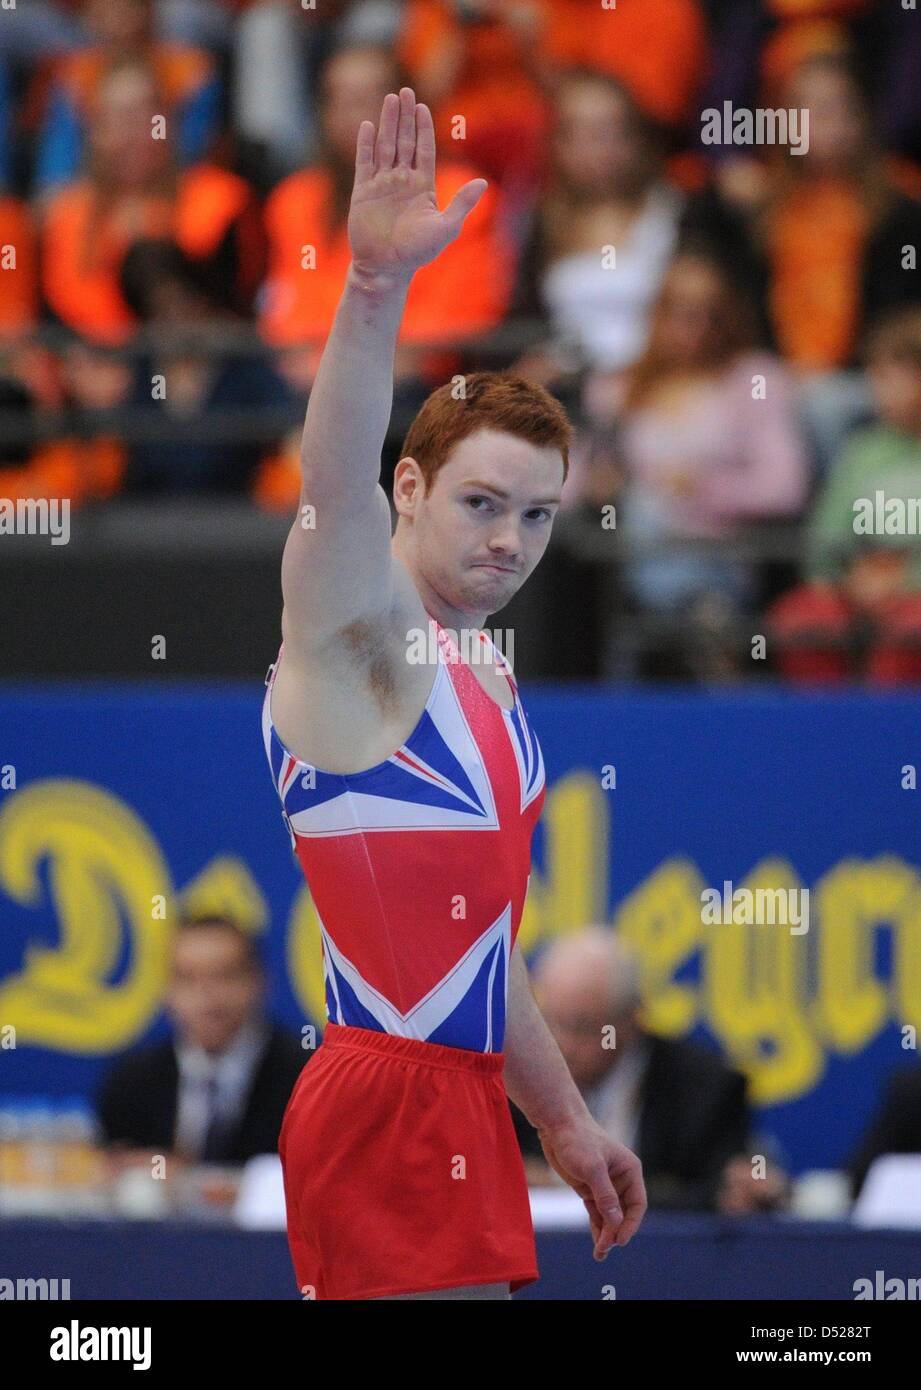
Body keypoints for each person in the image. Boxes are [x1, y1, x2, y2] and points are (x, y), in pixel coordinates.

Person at [261, 85, 646, 1300]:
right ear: (412, 491)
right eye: (482, 503)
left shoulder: (480, 664)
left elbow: (479, 948)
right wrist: (375, 289)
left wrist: (563, 1119)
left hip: (462, 1095)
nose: (511, 541)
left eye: (538, 514)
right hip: (387, 1105)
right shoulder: (357, 638)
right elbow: (331, 481)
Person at [509, 928, 789, 1214]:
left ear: (632, 1019)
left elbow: (718, 1196)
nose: (563, 1044)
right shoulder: (513, 1079)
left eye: (583, 1027)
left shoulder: (705, 1089)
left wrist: (569, 1191)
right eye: (548, 1022)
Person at [767, 307, 921, 683]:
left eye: (886, 376)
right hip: (858, 584)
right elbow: (827, 534)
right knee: (803, 621)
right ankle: (829, 720)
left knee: (910, 631)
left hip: (911, 595)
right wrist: (847, 579)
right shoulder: (863, 451)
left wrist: (904, 581)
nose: (875, 390)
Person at [96, 914, 305, 1164]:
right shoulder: (133, 1079)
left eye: (225, 975)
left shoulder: (304, 1077)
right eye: (188, 978)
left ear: (259, 981)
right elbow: (109, 1163)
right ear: (166, 989)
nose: (208, 994)